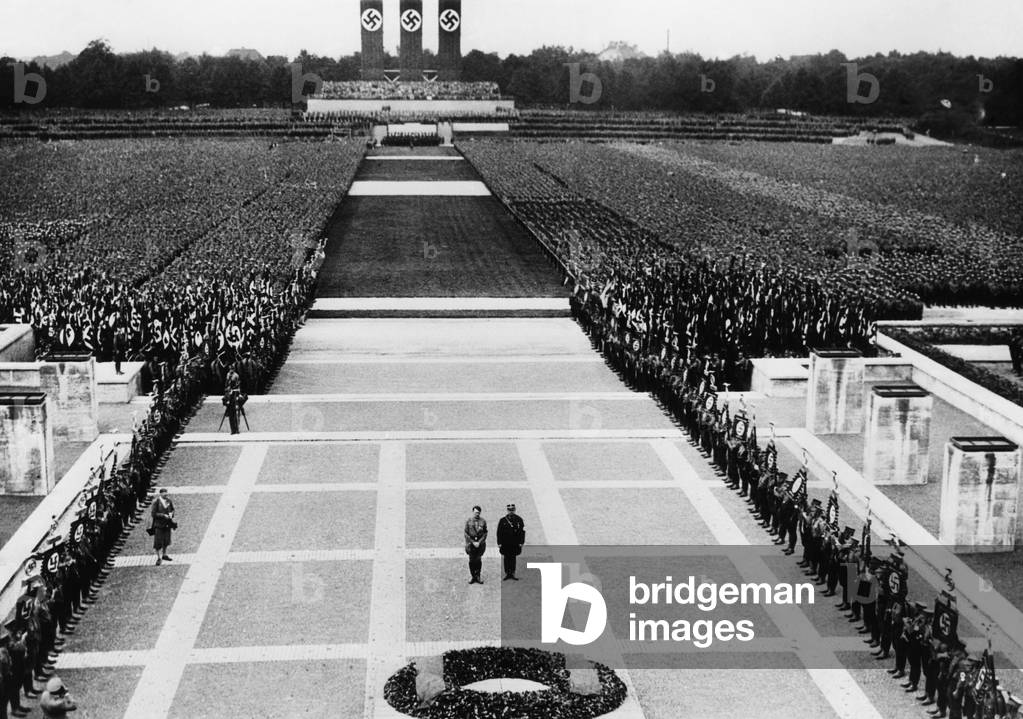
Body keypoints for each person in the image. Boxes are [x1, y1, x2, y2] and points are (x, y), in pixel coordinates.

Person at [496, 504, 526, 581]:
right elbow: (499, 532)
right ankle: (507, 573)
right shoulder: (502, 520)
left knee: (513, 558)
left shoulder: (519, 519)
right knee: (506, 558)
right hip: (505, 543)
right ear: (507, 510)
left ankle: (512, 573)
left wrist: (521, 542)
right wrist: (499, 542)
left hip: (515, 543)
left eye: (512, 510)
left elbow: (522, 532)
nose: (511, 511)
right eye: (509, 510)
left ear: (515, 510)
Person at [150, 488, 176, 565]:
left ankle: (164, 554)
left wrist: (171, 514)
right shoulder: (156, 502)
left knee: (166, 540)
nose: (165, 495)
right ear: (160, 494)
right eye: (164, 493)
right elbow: (153, 514)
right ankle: (158, 557)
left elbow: (172, 509)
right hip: (159, 525)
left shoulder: (168, 501)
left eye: (166, 493)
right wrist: (163, 515)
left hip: (167, 524)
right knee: (158, 542)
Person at [464, 505, 488, 585]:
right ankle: (472, 576)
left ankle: (478, 576)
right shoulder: (469, 521)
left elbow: (485, 533)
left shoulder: (483, 521)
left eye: (478, 512)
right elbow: (466, 533)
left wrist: (479, 542)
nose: (476, 514)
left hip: (480, 545)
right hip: (471, 544)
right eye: (475, 512)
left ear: (480, 513)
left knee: (478, 560)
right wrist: (472, 542)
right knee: (471, 561)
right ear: (473, 512)